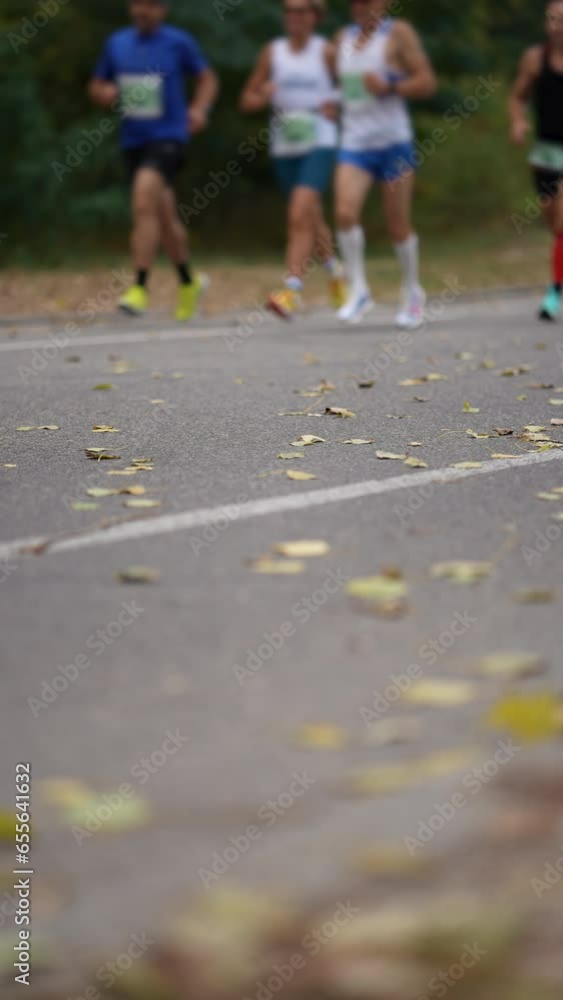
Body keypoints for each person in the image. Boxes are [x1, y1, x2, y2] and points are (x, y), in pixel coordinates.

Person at [89, 0, 218, 320]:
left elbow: (207, 79)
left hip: (170, 137)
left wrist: (200, 109)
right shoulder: (116, 43)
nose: (142, 10)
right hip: (133, 139)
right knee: (163, 216)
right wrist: (103, 93)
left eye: (150, 5)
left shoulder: (179, 41)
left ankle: (139, 287)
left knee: (143, 200)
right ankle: (189, 282)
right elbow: (97, 83)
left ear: (163, 9)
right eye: (137, 4)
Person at [240, 0, 346, 319]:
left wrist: (337, 104)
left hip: (320, 138)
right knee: (309, 216)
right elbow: (247, 99)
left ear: (315, 16)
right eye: (289, 10)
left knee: (299, 210)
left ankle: (291, 289)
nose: (295, 17)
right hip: (285, 141)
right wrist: (263, 95)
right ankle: (335, 270)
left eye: (302, 10)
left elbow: (351, 88)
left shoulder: (326, 51)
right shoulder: (273, 53)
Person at [334, 0, 436, 325]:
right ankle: (359, 289)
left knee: (397, 224)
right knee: (344, 213)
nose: (360, 6)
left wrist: (390, 85)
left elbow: (426, 82)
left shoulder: (398, 34)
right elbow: (339, 87)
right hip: (354, 143)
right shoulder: (341, 39)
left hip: (393, 143)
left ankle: (411, 290)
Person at [510, 0, 563, 321]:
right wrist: (518, 121)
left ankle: (554, 292)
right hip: (545, 152)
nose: (556, 25)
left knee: (562, 224)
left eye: (562, 19)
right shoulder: (534, 59)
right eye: (552, 19)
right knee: (553, 224)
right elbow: (518, 97)